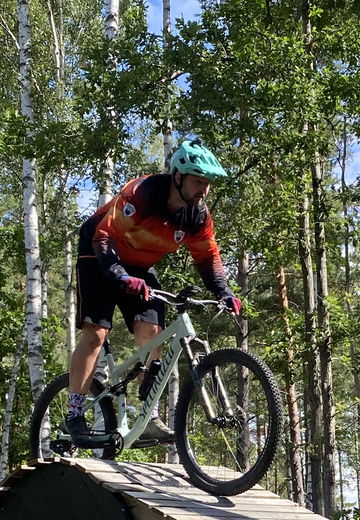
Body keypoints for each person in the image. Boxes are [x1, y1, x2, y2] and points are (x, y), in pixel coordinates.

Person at [66, 139, 241, 446]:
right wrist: (119, 275)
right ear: (178, 177)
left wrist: (224, 291)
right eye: (198, 182)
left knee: (153, 334)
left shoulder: (197, 216)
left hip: (139, 265)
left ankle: (148, 419)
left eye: (207, 184)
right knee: (96, 334)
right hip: (99, 253)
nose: (203, 190)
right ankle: (75, 413)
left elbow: (207, 257)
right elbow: (104, 237)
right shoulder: (142, 194)